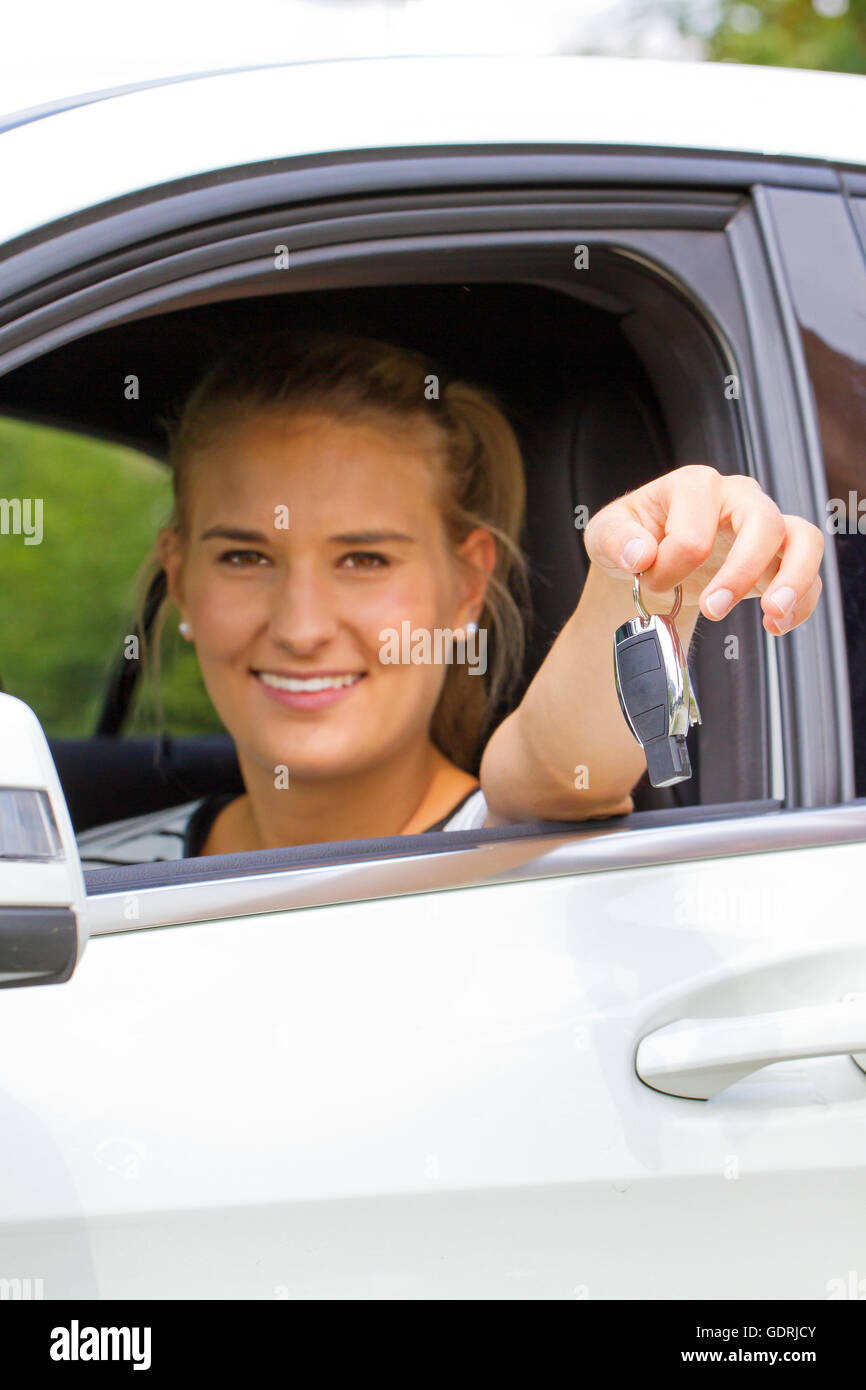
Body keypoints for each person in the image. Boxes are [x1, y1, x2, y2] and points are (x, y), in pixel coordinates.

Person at [75, 329, 824, 868]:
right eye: (245, 556)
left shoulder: (509, 846)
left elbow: (561, 774)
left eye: (364, 559)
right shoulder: (85, 887)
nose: (300, 627)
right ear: (180, 580)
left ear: (467, 586)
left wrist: (645, 587)